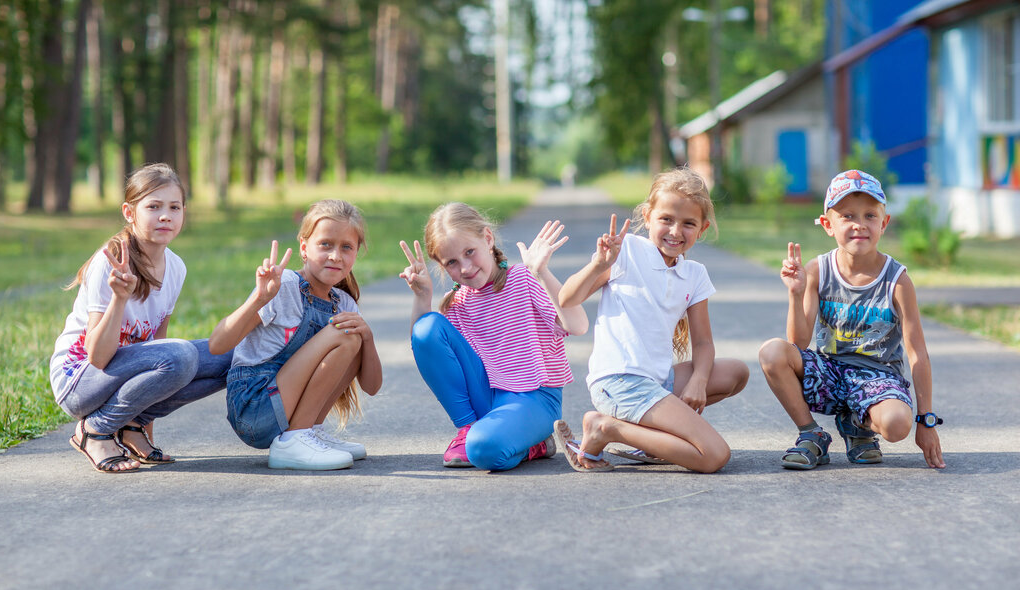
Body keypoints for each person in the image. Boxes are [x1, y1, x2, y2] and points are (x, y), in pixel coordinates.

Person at [556, 167, 749, 473]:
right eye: (666, 219)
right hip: (620, 381)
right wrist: (598, 265)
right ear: (647, 217)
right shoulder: (626, 251)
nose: (675, 231)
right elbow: (567, 299)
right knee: (713, 456)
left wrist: (699, 381)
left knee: (736, 372)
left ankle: (644, 435)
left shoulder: (694, 274)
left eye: (688, 224)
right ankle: (606, 429)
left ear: (702, 229)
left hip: (657, 381)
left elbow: (702, 342)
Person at [50, 163, 232, 473]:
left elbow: (155, 348)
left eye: (175, 207)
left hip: (120, 375)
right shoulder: (109, 261)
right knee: (182, 354)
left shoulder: (176, 267)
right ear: (129, 212)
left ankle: (130, 426)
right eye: (154, 206)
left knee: (228, 356)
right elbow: (97, 357)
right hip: (79, 380)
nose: (166, 215)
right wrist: (120, 298)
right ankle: (94, 432)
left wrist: (142, 424)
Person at [758, 169, 944, 470]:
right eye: (847, 216)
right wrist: (796, 293)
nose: (859, 225)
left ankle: (858, 424)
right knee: (772, 352)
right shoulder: (818, 270)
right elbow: (799, 343)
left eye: (870, 215)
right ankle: (811, 434)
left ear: (884, 223)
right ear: (828, 225)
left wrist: (926, 419)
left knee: (898, 425)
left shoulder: (897, 281)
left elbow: (917, 353)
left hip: (879, 378)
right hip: (830, 373)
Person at [399, 202, 588, 471]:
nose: (465, 267)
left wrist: (542, 272)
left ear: (488, 239)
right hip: (484, 397)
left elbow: (578, 325)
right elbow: (424, 347)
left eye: (469, 252)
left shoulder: (524, 279)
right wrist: (422, 297)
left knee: (482, 450)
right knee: (427, 327)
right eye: (452, 262)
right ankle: (468, 428)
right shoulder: (455, 303)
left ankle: (533, 443)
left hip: (533, 400)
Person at [209, 199, 382, 471]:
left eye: (346, 247)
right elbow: (217, 344)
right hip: (254, 406)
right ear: (304, 247)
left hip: (282, 406)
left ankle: (308, 431)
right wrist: (258, 299)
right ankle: (295, 440)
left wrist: (368, 338)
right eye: (325, 244)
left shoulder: (344, 303)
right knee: (344, 333)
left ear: (356, 253)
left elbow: (372, 387)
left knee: (352, 332)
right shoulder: (285, 286)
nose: (335, 255)